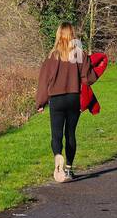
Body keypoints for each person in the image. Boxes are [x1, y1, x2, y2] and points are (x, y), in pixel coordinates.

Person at [35, 22, 98, 183]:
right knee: (70, 133)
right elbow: (88, 78)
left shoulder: (52, 56)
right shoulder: (79, 54)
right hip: (73, 98)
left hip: (56, 99)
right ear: (72, 35)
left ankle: (58, 157)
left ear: (58, 35)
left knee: (56, 134)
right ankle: (69, 169)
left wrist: (41, 102)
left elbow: (43, 81)